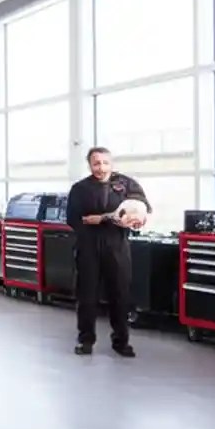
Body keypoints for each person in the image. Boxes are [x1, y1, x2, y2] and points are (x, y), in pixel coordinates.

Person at [65, 147, 151, 357]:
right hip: (88, 246)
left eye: (105, 163)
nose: (101, 168)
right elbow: (73, 219)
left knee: (120, 295)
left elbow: (142, 209)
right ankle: (85, 340)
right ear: (89, 165)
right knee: (87, 296)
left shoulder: (127, 185)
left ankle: (121, 342)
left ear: (111, 163)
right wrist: (99, 222)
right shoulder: (80, 189)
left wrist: (111, 219)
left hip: (117, 246)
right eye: (96, 163)